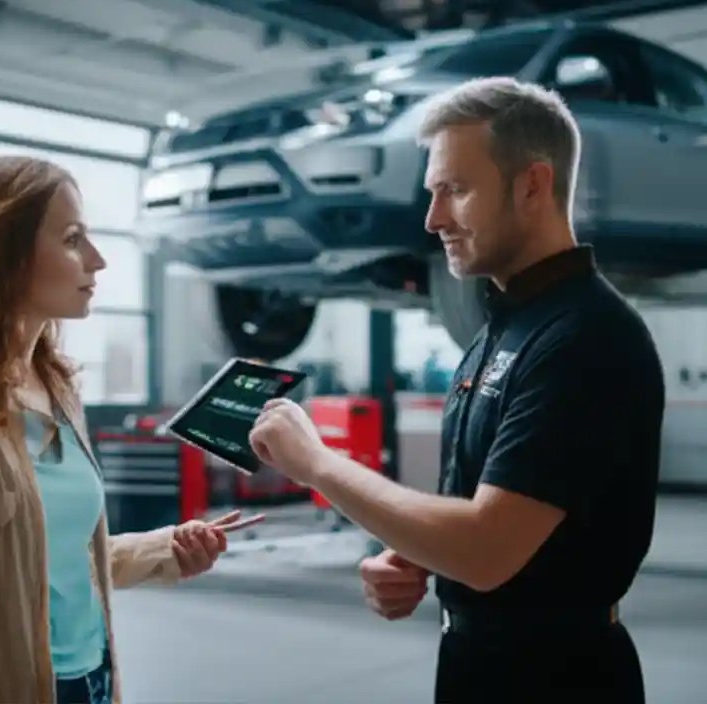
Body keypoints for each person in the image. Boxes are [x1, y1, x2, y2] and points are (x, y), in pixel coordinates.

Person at [249, 76, 665, 702]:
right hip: (480, 663)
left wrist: (317, 464)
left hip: (559, 680)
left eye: (456, 190)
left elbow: (486, 547)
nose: (432, 217)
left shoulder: (585, 339)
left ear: (533, 184)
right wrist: (420, 556)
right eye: (433, 192)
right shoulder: (502, 329)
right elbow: (486, 511)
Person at [0, 154, 260, 704]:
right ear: (2, 256)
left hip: (93, 679)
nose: (97, 260)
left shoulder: (56, 388)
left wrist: (165, 549)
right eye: (72, 239)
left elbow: (55, 558)